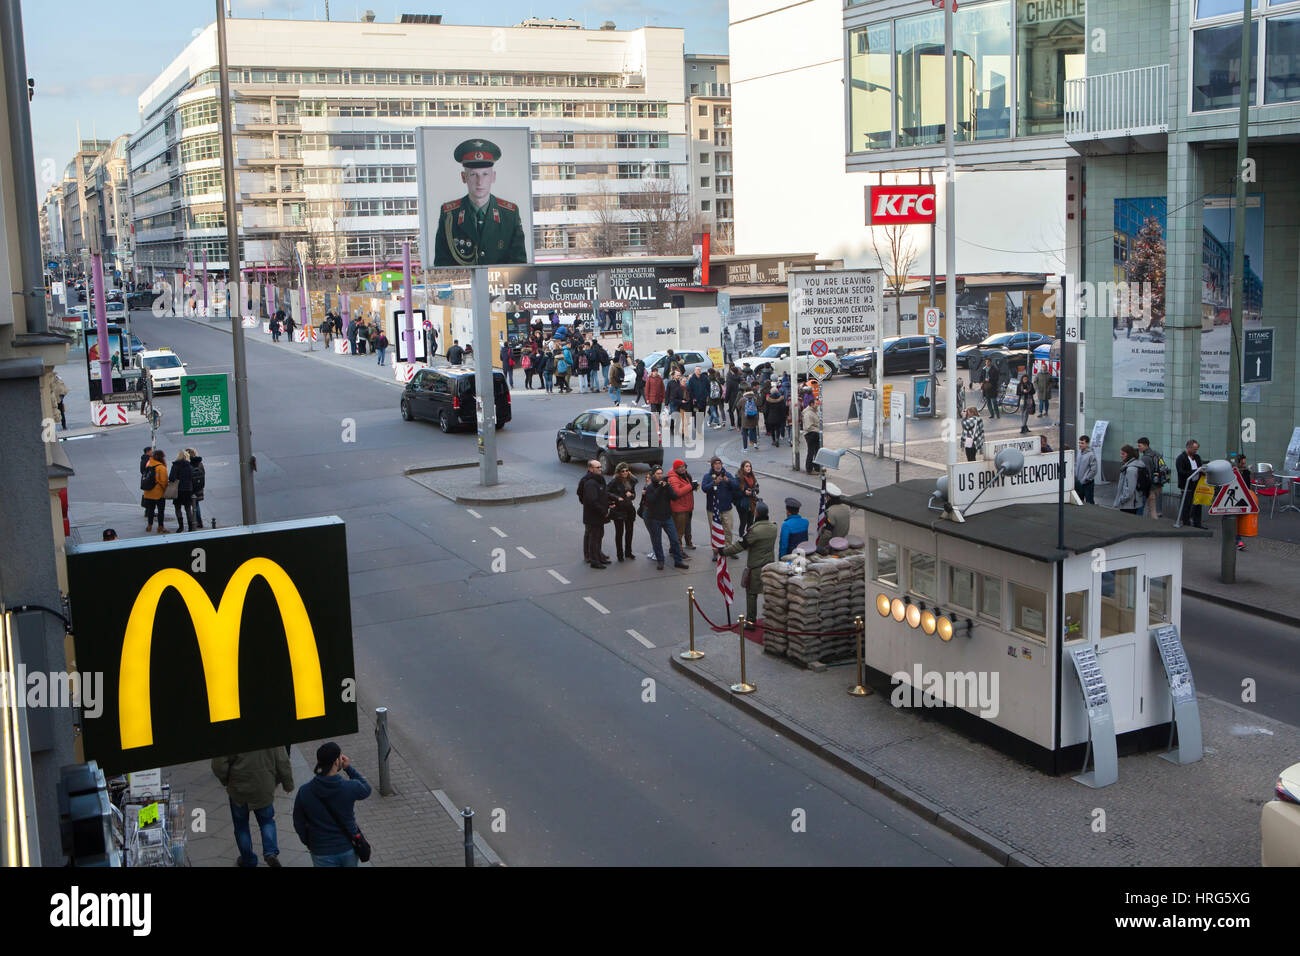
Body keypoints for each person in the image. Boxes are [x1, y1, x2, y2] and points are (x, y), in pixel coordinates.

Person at [433, 138, 527, 266]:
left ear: (493, 177)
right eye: (473, 175)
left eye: (485, 174)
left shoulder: (509, 214)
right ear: (463, 177)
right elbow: (442, 264)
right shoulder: (449, 215)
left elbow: (519, 266)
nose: (479, 182)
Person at [292, 742, 371, 868]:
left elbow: (298, 822)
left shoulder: (305, 791)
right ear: (336, 761)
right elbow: (366, 789)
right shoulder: (349, 787)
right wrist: (348, 768)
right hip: (347, 847)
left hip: (321, 851)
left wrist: (308, 842)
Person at [212, 748, 294, 868]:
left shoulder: (229, 732)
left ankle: (248, 860)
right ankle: (270, 852)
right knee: (267, 821)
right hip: (264, 785)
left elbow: (219, 765)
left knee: (241, 827)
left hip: (238, 787)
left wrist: (226, 780)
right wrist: (288, 784)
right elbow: (282, 760)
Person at [723, 501, 778, 630]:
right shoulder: (774, 528)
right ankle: (772, 619)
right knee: (769, 593)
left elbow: (739, 546)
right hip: (770, 566)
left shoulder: (754, 531)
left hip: (756, 568)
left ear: (757, 513)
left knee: (752, 594)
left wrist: (723, 552)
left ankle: (751, 621)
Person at [639, 465, 689, 570]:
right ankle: (660, 561)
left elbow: (675, 497)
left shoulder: (665, 485)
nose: (660, 476)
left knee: (674, 540)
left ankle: (678, 561)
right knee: (657, 541)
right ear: (653, 475)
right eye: (658, 474)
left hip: (667, 517)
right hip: (654, 518)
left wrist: (668, 488)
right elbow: (651, 501)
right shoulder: (650, 488)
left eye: (661, 473)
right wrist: (660, 489)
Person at [701, 456, 740, 549]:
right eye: (716, 463)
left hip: (727, 508)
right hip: (713, 510)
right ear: (712, 465)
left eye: (720, 463)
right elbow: (704, 488)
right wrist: (714, 482)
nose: (718, 465)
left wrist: (728, 481)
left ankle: (729, 548)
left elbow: (736, 486)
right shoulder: (707, 476)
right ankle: (716, 550)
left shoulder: (727, 474)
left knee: (728, 530)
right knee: (714, 530)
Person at [578, 460, 612, 569]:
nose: (600, 469)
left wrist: (608, 504)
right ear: (590, 469)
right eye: (597, 467)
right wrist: (603, 509)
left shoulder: (598, 479)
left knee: (598, 536)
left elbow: (603, 494)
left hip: (598, 514)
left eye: (601, 467)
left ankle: (598, 556)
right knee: (593, 536)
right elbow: (590, 500)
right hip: (593, 515)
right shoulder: (589, 482)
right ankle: (593, 559)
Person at [607, 463, 639, 562]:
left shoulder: (630, 481)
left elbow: (634, 495)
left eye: (626, 470)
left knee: (629, 532)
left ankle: (628, 552)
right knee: (619, 533)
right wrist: (617, 498)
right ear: (619, 472)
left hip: (629, 509)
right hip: (618, 510)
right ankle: (620, 555)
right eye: (622, 471)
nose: (625, 473)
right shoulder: (614, 481)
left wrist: (631, 495)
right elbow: (606, 492)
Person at [667, 458, 698, 551]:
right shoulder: (673, 478)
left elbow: (685, 488)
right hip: (679, 509)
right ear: (675, 469)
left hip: (686, 507)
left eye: (683, 466)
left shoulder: (684, 475)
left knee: (687, 527)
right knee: (679, 531)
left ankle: (685, 544)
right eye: (679, 467)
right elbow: (677, 492)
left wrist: (693, 487)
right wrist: (690, 486)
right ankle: (678, 550)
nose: (682, 469)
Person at [1176, 439, 1205, 528]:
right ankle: (1186, 522)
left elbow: (1200, 467)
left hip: (1196, 484)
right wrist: (1195, 471)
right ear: (1188, 447)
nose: (1195, 451)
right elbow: (1181, 472)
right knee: (1186, 504)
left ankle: (1197, 523)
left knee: (1197, 504)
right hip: (1186, 484)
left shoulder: (1197, 457)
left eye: (1196, 449)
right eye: (1194, 449)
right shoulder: (1181, 458)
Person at [1136, 437, 1166, 519]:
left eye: (1139, 446)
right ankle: (1156, 516)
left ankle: (1153, 524)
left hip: (1151, 486)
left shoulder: (1145, 458)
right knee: (1154, 507)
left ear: (1146, 445)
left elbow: (1147, 474)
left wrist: (1146, 488)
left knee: (1151, 508)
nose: (1138, 448)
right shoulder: (1156, 454)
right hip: (1159, 483)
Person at [817, 482, 852, 553]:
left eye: (826, 496)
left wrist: (819, 546)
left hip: (833, 546)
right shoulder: (846, 507)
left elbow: (827, 534)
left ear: (828, 497)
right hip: (843, 541)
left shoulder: (830, 512)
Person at [142, 449, 169, 534]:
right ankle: (160, 527)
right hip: (158, 494)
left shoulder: (148, 464)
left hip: (147, 493)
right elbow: (164, 482)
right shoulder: (161, 467)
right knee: (161, 510)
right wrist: (166, 490)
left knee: (150, 510)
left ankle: (149, 525)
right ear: (161, 457)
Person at [1113, 444, 1146, 514]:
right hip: (1132, 502)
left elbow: (1130, 489)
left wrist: (1122, 499)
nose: (1121, 455)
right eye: (1121, 453)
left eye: (1123, 454)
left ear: (1129, 455)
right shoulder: (1129, 466)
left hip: (1129, 504)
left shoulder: (1131, 469)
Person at [169, 449, 196, 532]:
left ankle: (180, 527)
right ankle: (190, 527)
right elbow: (193, 478)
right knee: (188, 508)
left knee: (178, 508)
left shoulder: (175, 466)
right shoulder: (190, 466)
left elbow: (171, 478)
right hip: (188, 489)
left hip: (178, 490)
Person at [735, 460, 760, 537]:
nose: (749, 468)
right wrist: (744, 492)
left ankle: (749, 538)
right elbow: (735, 492)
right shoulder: (738, 478)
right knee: (743, 522)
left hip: (752, 502)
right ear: (742, 468)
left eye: (749, 466)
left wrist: (755, 491)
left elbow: (757, 487)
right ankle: (741, 538)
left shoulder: (752, 476)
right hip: (742, 503)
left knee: (750, 522)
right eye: (746, 466)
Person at [1233, 453, 1252, 550]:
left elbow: (1248, 486)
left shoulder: (1246, 473)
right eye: (1242, 464)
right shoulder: (1233, 472)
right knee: (1234, 518)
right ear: (1238, 463)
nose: (1244, 465)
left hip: (1242, 498)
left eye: (1245, 463)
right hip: (1233, 498)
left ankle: (1237, 537)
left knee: (1239, 519)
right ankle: (1237, 540)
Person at [687, 367, 710, 440]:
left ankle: (699, 430)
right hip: (695, 402)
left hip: (703, 400)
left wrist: (707, 395)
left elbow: (708, 387)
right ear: (695, 371)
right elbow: (690, 390)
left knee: (702, 415)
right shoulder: (692, 379)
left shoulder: (704, 378)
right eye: (697, 370)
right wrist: (693, 398)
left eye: (700, 370)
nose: (699, 371)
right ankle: (698, 432)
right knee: (697, 415)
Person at [186, 447, 207, 529]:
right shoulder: (200, 463)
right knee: (196, 504)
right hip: (199, 487)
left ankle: (195, 522)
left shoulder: (189, 464)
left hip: (191, 488)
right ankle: (199, 522)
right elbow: (203, 474)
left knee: (192, 505)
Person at [1075, 434, 1098, 504]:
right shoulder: (1079, 453)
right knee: (1079, 501)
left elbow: (1094, 470)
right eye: (1079, 443)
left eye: (1082, 443)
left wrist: (1087, 479)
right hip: (1079, 482)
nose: (1080, 445)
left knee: (1089, 502)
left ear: (1087, 444)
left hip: (1087, 483)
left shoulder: (1091, 455)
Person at [801, 395, 821, 474]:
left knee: (817, 451)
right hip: (811, 434)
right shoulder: (808, 413)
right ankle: (809, 469)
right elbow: (808, 427)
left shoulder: (813, 411)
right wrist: (818, 430)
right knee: (811, 452)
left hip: (814, 433)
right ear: (812, 404)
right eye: (816, 404)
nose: (817, 405)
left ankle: (816, 467)